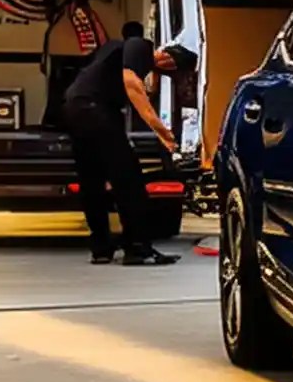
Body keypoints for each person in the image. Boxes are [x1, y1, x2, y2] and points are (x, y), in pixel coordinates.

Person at [62, 36, 198, 265]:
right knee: (129, 179)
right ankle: (138, 248)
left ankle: (101, 248)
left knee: (91, 180)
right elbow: (132, 83)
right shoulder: (140, 46)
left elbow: (142, 85)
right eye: (172, 70)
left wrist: (153, 75)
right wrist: (163, 133)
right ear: (167, 57)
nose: (168, 75)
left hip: (74, 108)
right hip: (95, 109)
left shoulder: (118, 52)